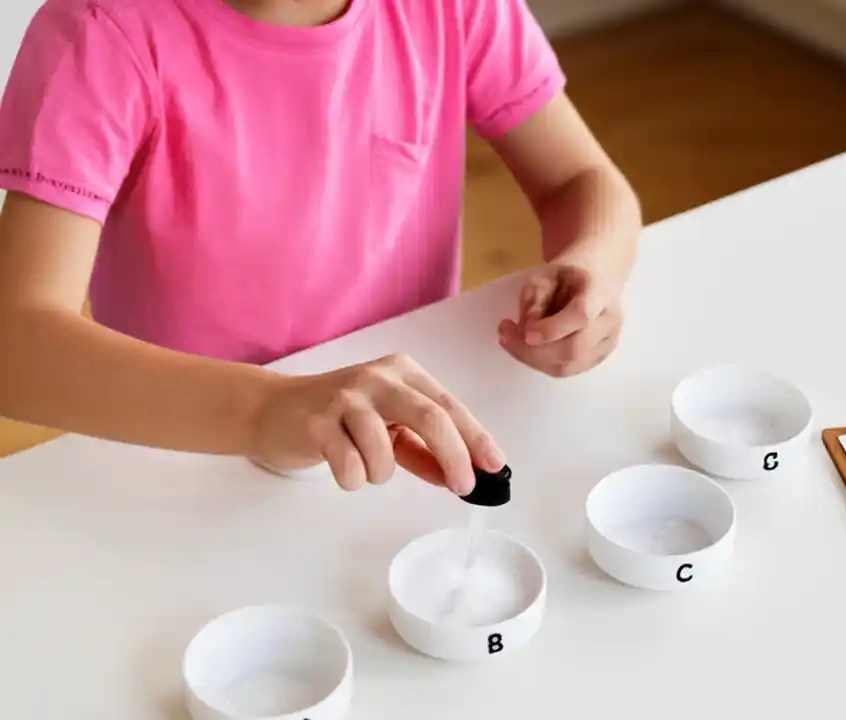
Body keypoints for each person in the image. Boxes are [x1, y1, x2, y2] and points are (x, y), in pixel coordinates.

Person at [0, 0, 641, 495]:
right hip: (181, 457)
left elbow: (579, 181)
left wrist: (593, 266)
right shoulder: (102, 31)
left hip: (401, 439)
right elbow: (15, 348)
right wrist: (269, 411)